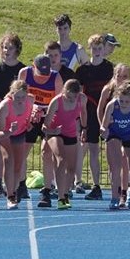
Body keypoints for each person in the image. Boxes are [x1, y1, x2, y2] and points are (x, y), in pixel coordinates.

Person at [18, 54, 63, 200]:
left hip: (49, 115)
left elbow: (59, 103)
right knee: (22, 150)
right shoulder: (24, 74)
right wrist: (31, 109)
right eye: (40, 73)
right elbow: (18, 98)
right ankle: (21, 184)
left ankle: (47, 188)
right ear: (33, 67)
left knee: (46, 151)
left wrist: (45, 112)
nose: (44, 77)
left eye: (46, 73)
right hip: (29, 114)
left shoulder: (56, 78)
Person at [0, 32, 24, 198]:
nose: (7, 50)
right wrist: (4, 106)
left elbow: (24, 92)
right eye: (4, 47)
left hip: (18, 115)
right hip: (0, 112)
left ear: (17, 49)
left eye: (10, 47)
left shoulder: (22, 70)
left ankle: (19, 184)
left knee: (18, 151)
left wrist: (15, 107)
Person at [75, 34, 114, 200]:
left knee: (113, 149)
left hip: (107, 111)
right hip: (90, 112)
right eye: (94, 48)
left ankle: (117, 185)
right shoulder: (83, 70)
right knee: (92, 149)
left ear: (104, 49)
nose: (97, 51)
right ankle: (95, 184)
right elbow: (79, 94)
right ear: (89, 49)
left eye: (100, 48)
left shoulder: (109, 68)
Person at [98, 63, 130, 202]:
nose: (121, 79)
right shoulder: (108, 90)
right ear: (114, 76)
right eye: (119, 76)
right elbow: (100, 109)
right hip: (112, 130)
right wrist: (103, 126)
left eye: (125, 77)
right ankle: (116, 192)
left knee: (126, 159)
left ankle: (125, 191)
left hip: (128, 129)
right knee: (115, 163)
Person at [101, 81, 130, 209]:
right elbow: (104, 126)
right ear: (117, 98)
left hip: (129, 134)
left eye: (127, 102)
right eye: (121, 101)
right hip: (114, 134)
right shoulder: (112, 105)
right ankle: (114, 197)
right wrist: (104, 131)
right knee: (116, 166)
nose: (124, 104)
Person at [40, 79, 87, 209]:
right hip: (55, 133)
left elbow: (83, 113)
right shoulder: (57, 101)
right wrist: (53, 131)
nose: (72, 100)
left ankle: (65, 194)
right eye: (69, 97)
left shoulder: (82, 99)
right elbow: (44, 127)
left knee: (71, 168)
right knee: (61, 159)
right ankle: (60, 197)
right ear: (64, 92)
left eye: (74, 97)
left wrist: (84, 128)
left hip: (70, 133)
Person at [0, 80, 33, 209]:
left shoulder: (30, 101)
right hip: (4, 132)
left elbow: (28, 118)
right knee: (8, 159)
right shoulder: (5, 105)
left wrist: (29, 124)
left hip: (19, 132)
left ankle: (14, 190)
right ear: (12, 94)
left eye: (23, 97)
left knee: (18, 164)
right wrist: (9, 131)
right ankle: (10, 196)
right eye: (17, 97)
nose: (20, 100)